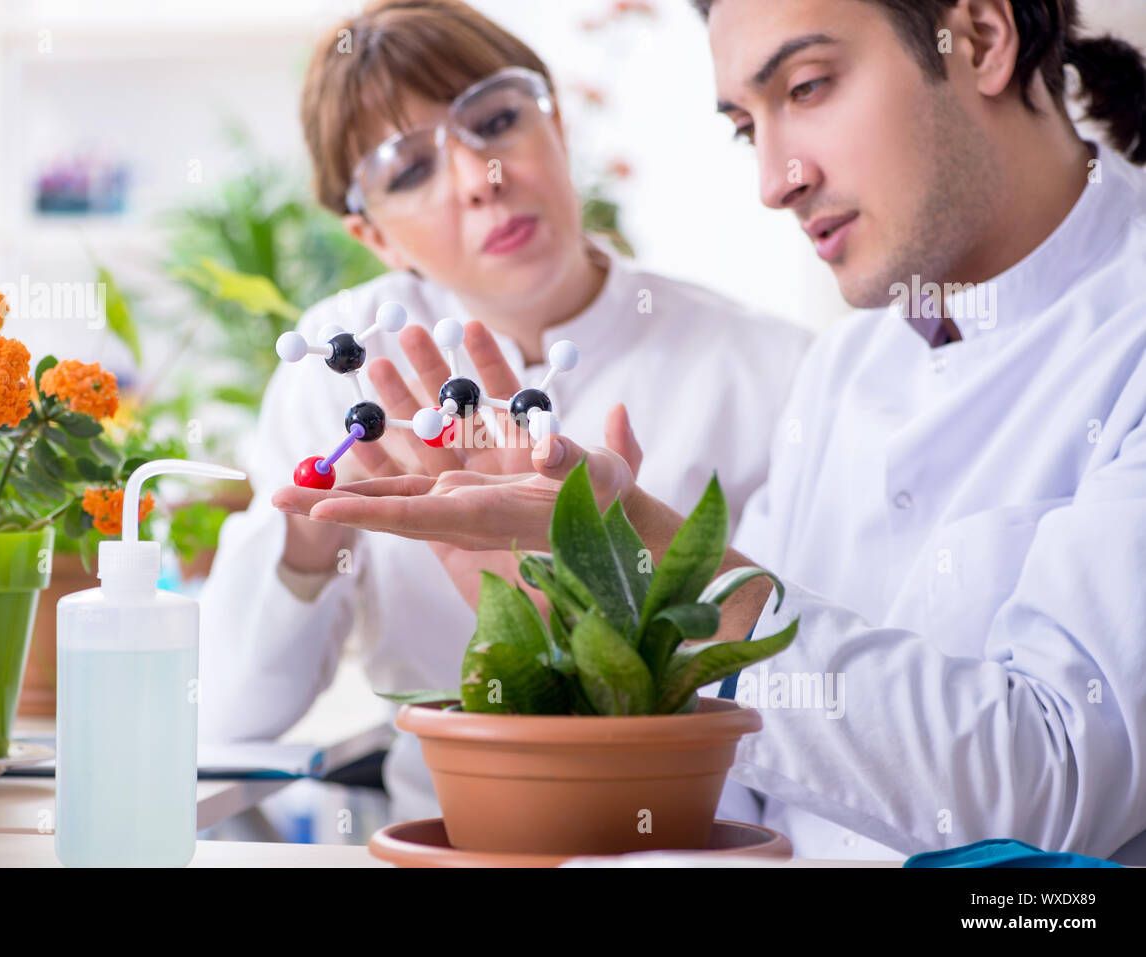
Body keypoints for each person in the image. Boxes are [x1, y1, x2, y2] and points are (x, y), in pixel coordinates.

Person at [276, 0, 1146, 863]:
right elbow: (734, 779)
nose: (775, 182)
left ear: (983, 38)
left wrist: (648, 557)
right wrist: (580, 619)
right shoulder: (844, 370)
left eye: (807, 87)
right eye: (744, 127)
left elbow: (1054, 788)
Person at [197, 0, 811, 825]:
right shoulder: (339, 369)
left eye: (495, 121)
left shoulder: (768, 366)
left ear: (554, 123)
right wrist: (310, 536)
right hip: (443, 835)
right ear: (373, 233)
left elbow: (820, 695)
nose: (475, 180)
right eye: (408, 170)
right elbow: (230, 712)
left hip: (690, 835)